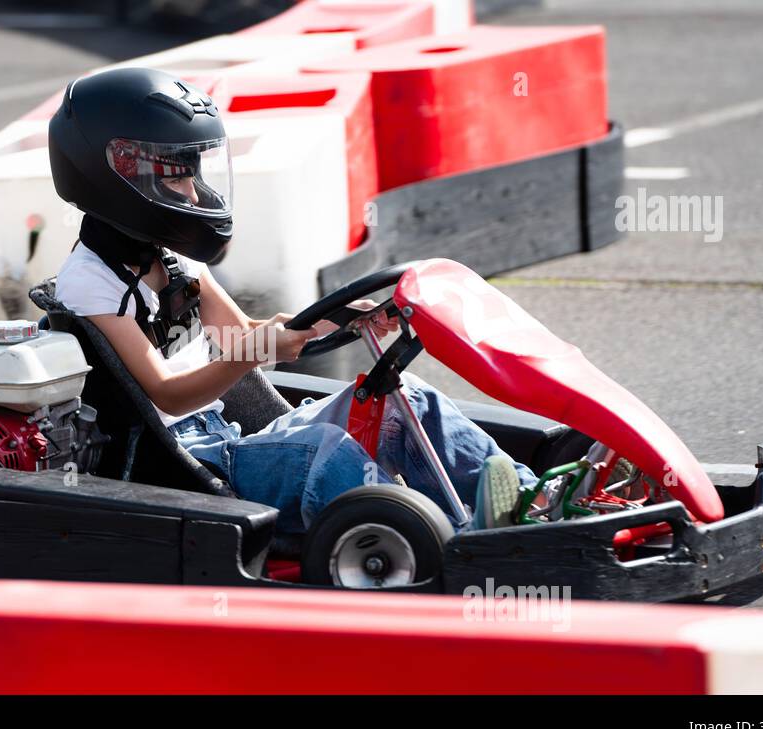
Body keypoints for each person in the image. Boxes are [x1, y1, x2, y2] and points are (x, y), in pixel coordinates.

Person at [49, 67, 536, 537]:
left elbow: (239, 336)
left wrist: (338, 319)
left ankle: (532, 504)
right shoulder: (90, 282)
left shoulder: (170, 256)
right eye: (177, 178)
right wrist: (259, 347)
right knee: (325, 451)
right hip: (193, 460)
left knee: (406, 395)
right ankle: (447, 543)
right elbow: (170, 393)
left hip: (233, 431)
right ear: (119, 177)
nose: (195, 193)